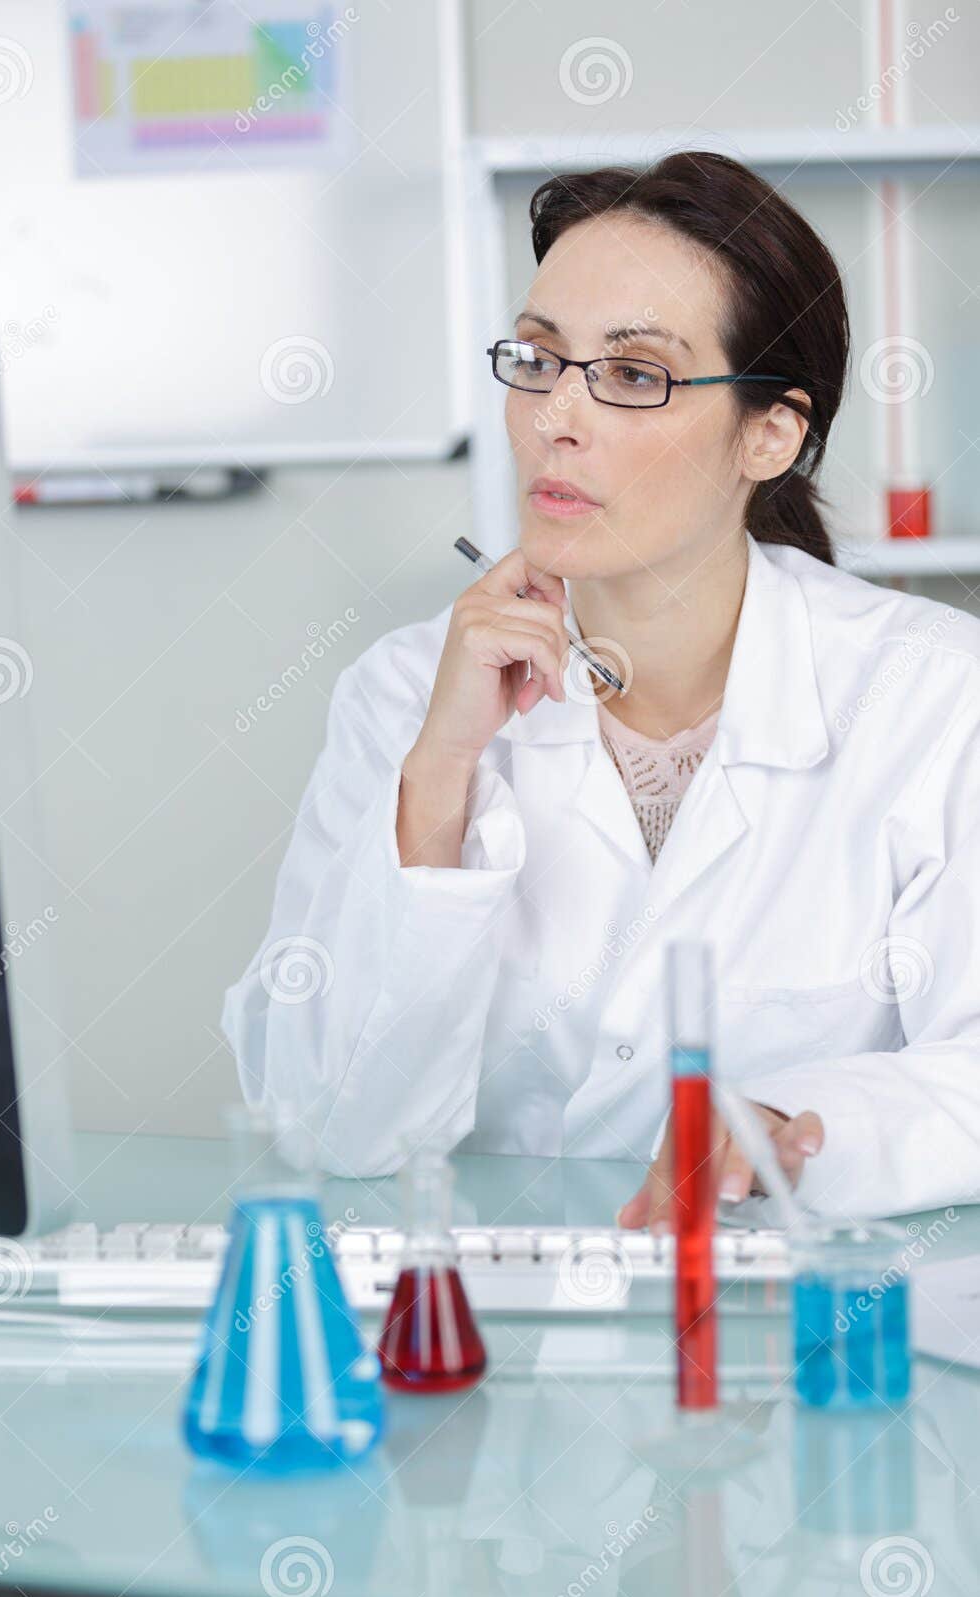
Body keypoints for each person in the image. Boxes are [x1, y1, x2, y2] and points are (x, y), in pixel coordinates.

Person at [222, 151, 980, 1222]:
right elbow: (326, 1124)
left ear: (769, 433)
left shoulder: (933, 696)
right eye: (536, 360)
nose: (552, 418)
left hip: (784, 1333)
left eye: (632, 375)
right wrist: (436, 784)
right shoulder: (403, 695)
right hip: (487, 1337)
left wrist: (796, 1122)